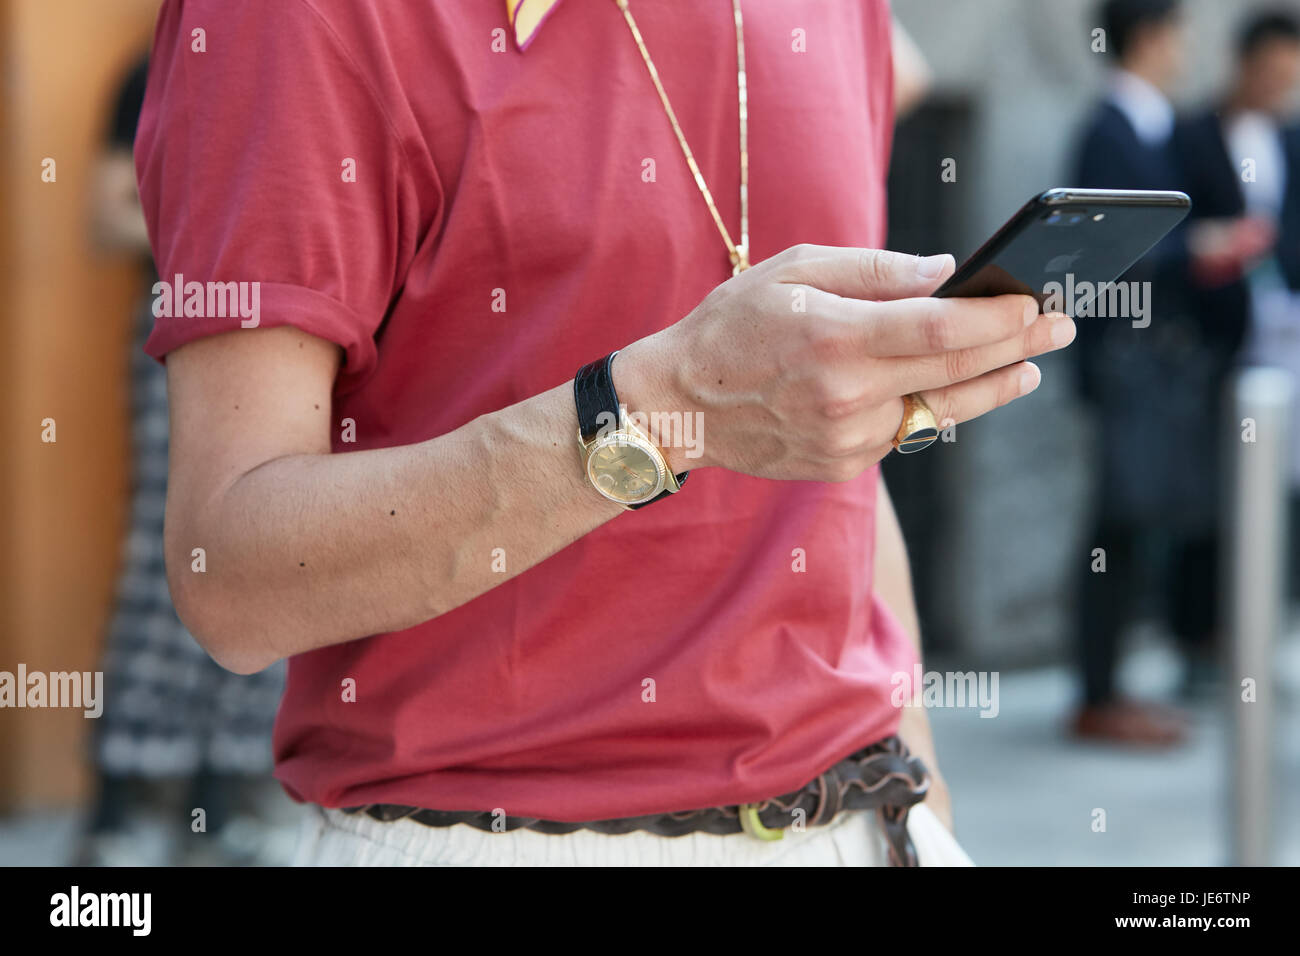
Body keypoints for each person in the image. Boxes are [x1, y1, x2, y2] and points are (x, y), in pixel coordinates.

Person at [135, 0, 1075, 866]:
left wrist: (919, 774)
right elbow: (232, 573)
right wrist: (660, 412)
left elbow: (839, 463)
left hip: (866, 818)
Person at [80, 54, 287, 866]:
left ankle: (236, 795)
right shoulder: (153, 70)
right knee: (163, 562)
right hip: (178, 325)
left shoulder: (307, 54)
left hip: (285, 332)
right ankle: (132, 798)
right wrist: (217, 231)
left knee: (277, 548)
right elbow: (104, 216)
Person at [1070, 0, 1272, 746]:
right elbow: (1097, 248)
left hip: (1156, 364)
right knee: (1113, 526)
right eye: (1178, 34)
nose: (1187, 48)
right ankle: (1097, 694)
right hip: (1126, 362)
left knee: (1131, 522)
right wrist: (1196, 250)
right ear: (1152, 37)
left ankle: (1110, 687)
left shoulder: (1154, 126)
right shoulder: (1108, 130)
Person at [1176, 10, 1300, 602]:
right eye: (1271, 73)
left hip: (1285, 338)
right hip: (1213, 340)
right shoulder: (1193, 133)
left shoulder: (1291, 139)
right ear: (1243, 63)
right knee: (1207, 488)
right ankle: (1201, 630)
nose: (1280, 88)